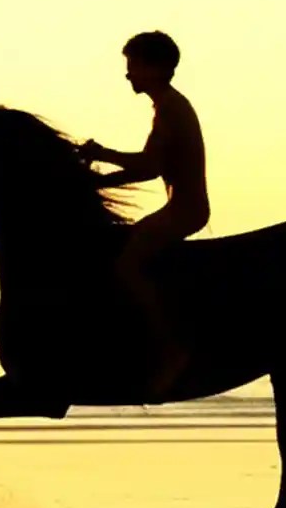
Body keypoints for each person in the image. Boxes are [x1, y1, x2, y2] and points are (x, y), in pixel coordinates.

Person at [79, 31, 210, 399]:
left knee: (126, 266)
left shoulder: (170, 108)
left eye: (133, 65)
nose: (128, 74)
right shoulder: (166, 106)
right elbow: (149, 167)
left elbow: (148, 167)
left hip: (185, 211)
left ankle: (170, 348)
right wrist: (97, 179)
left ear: (155, 68)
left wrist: (101, 157)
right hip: (180, 208)